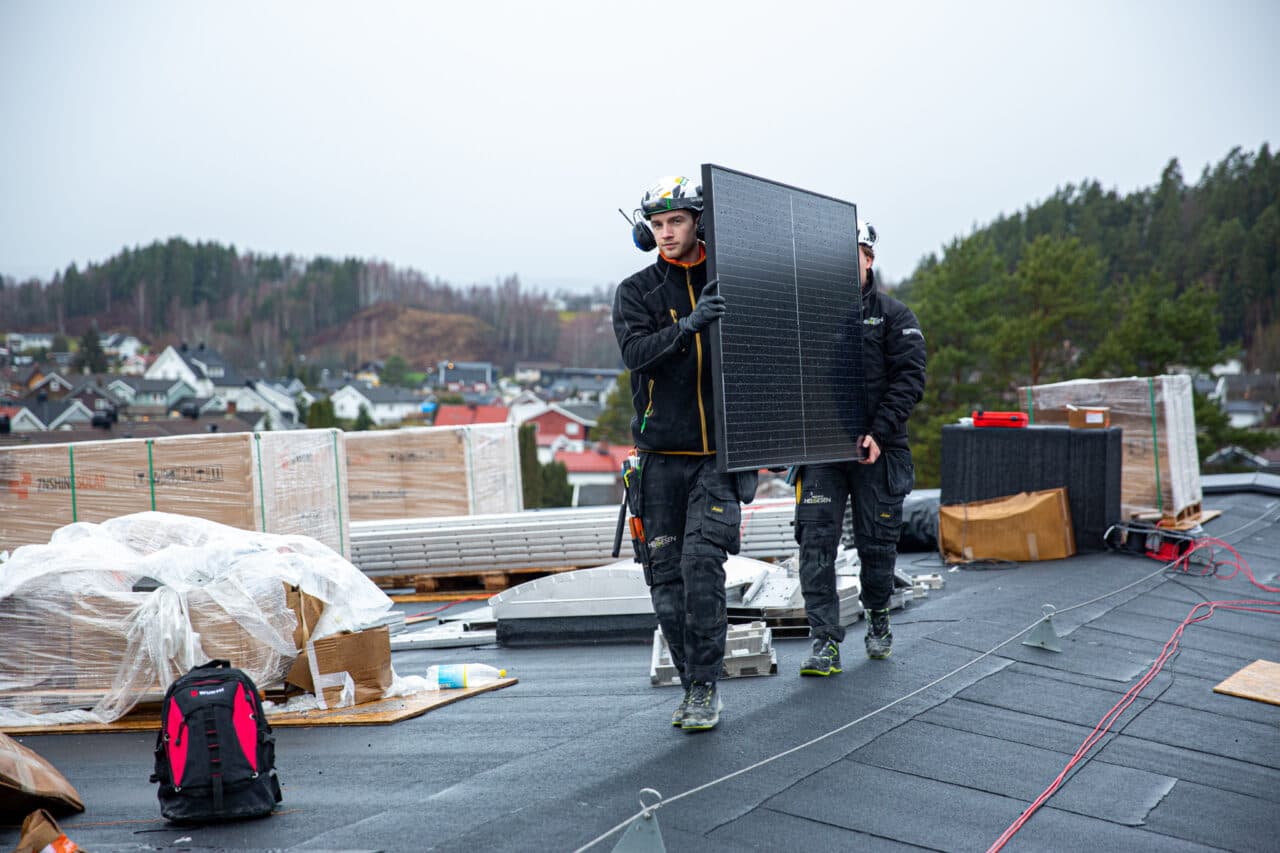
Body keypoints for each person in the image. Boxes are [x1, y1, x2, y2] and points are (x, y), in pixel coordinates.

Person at [612, 175, 746, 732]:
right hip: (659, 457)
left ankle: (706, 685)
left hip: (718, 456)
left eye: (676, 222)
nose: (666, 234)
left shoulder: (733, 283)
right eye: (657, 225)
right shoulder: (636, 291)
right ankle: (692, 682)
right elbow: (635, 354)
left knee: (700, 567)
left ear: (699, 222)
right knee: (664, 579)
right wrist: (689, 327)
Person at [795, 219, 927, 674]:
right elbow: (786, 379)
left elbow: (910, 381)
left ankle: (877, 612)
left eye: (850, 255)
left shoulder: (895, 316)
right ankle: (824, 642)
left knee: (877, 546)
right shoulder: (806, 316)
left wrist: (880, 431)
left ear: (868, 258)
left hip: (878, 450)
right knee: (814, 544)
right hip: (821, 454)